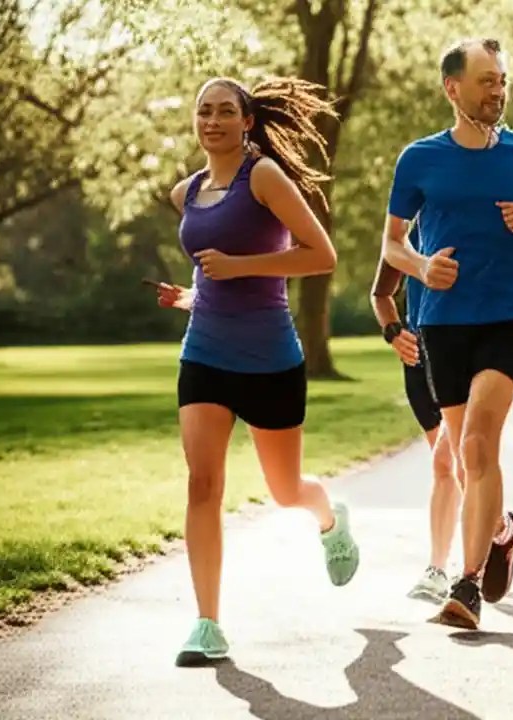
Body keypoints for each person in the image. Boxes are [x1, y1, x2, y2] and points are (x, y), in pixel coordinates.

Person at [158, 76, 360, 667]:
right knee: (203, 483)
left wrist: (241, 266)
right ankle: (207, 623)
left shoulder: (265, 177)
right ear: (194, 121)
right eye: (203, 111)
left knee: (284, 489)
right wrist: (193, 298)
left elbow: (321, 255)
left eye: (225, 111)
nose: (212, 120)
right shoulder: (186, 193)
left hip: (271, 356)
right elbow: (211, 272)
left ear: (246, 121)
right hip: (204, 353)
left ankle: (328, 515)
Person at [382, 38, 513, 630]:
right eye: (487, 80)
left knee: (479, 444)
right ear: (452, 88)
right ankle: (505, 530)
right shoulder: (418, 160)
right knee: (464, 456)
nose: (498, 90)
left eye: (502, 80)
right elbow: (392, 244)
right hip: (441, 319)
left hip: (511, 312)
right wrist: (421, 267)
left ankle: (466, 586)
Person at [370, 217, 464, 601]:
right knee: (454, 463)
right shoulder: (405, 240)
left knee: (451, 462)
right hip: (420, 362)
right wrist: (394, 332)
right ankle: (497, 531)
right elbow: (380, 295)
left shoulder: (471, 224)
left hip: (466, 353)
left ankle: (440, 568)